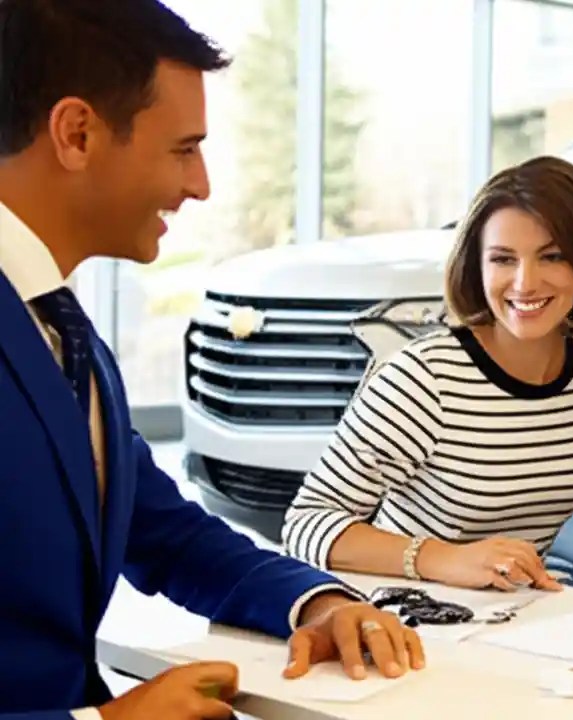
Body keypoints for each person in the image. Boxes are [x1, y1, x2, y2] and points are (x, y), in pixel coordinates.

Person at [0, 2, 422, 718]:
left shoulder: (63, 333)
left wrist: (313, 602)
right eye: (182, 148)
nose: (201, 185)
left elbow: (161, 531)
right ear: (77, 134)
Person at [282, 156, 573, 592]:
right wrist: (446, 559)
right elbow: (305, 524)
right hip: (404, 615)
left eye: (552, 256)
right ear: (476, 267)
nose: (525, 282)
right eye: (503, 259)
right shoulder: (424, 379)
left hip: (520, 617)